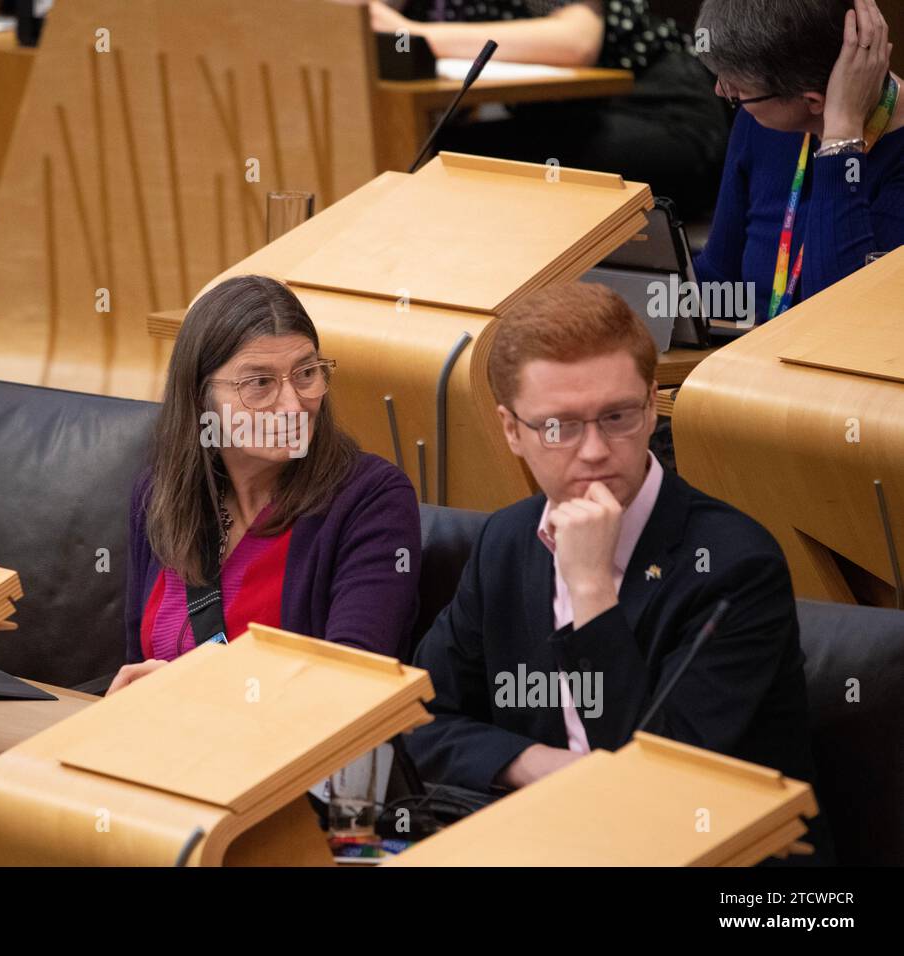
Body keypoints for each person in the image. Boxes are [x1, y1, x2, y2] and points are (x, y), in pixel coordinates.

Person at [407, 282, 828, 860]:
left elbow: (658, 794)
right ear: (511, 430)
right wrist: (551, 769)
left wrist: (590, 591)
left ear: (654, 401)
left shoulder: (734, 566)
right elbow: (419, 719)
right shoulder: (505, 542)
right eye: (559, 427)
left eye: (618, 416)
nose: (596, 451)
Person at [112, 276, 421, 694]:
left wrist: (199, 682)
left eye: (307, 373)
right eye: (259, 383)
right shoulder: (158, 495)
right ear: (201, 396)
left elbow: (352, 684)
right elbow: (137, 668)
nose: (293, 405)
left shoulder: (372, 500)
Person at [367, 0, 732, 220]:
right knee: (424, 152)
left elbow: (576, 42)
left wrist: (413, 34)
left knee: (449, 162)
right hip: (563, 121)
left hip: (664, 113)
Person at [694, 0, 904, 324]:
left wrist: (841, 138)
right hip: (747, 363)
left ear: (813, 101)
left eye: (738, 91)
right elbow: (719, 280)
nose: (721, 90)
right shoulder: (762, 121)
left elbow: (841, 325)